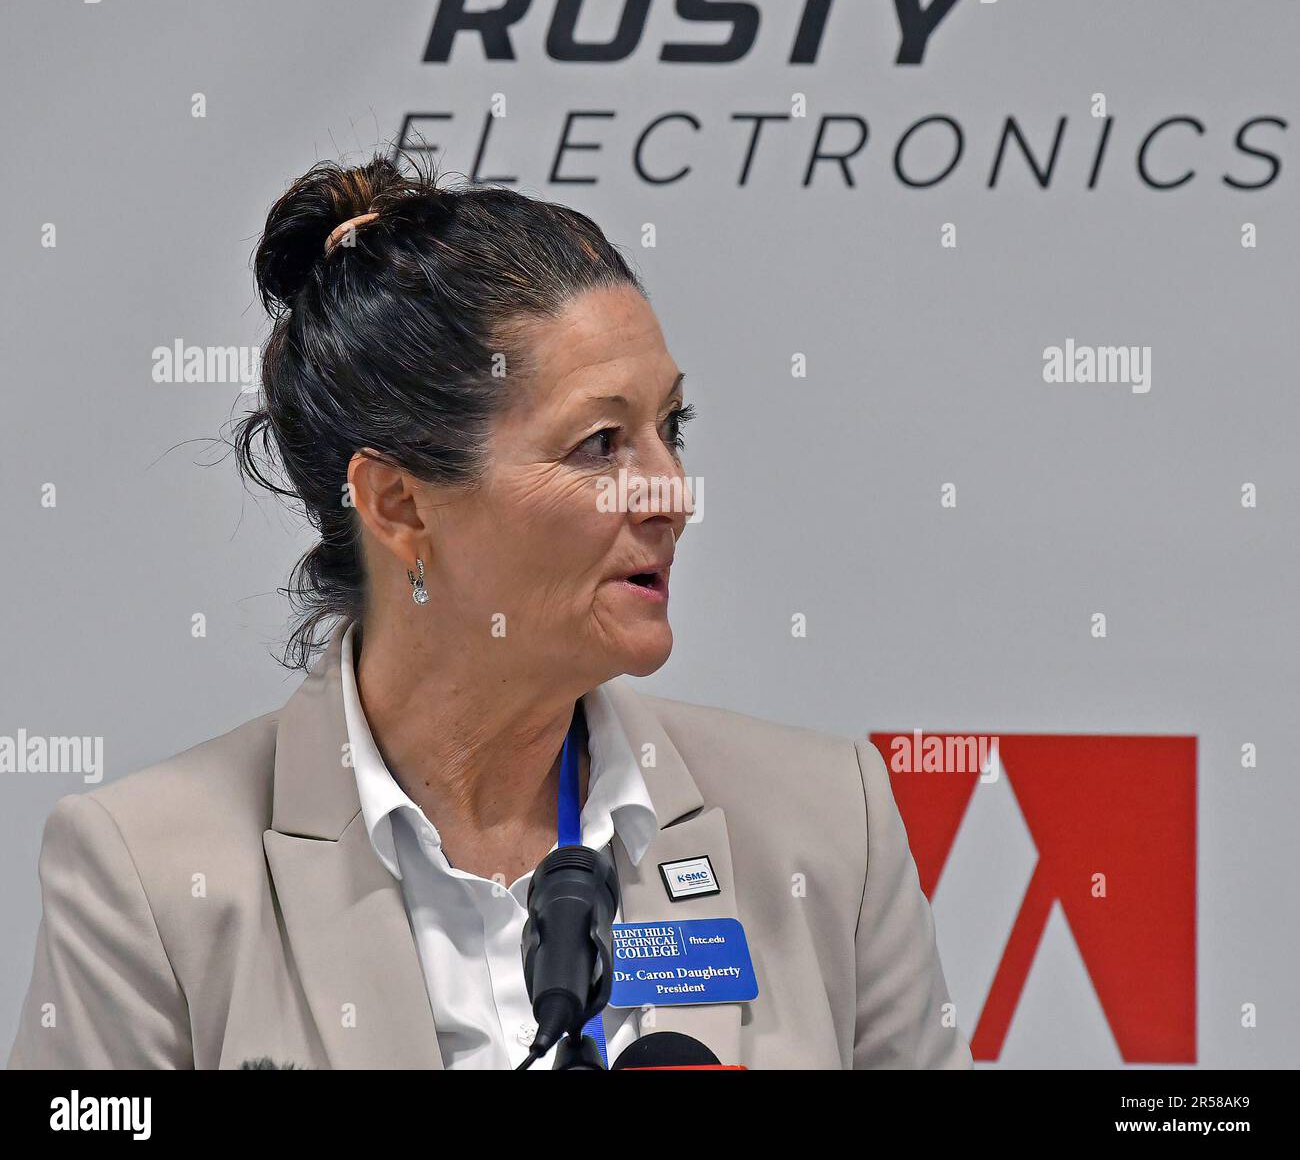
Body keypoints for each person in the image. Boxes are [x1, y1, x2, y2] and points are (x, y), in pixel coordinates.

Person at [7, 155, 971, 1070]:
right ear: (397, 504)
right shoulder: (149, 873)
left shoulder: (827, 824)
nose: (671, 492)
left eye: (669, 430)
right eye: (600, 444)